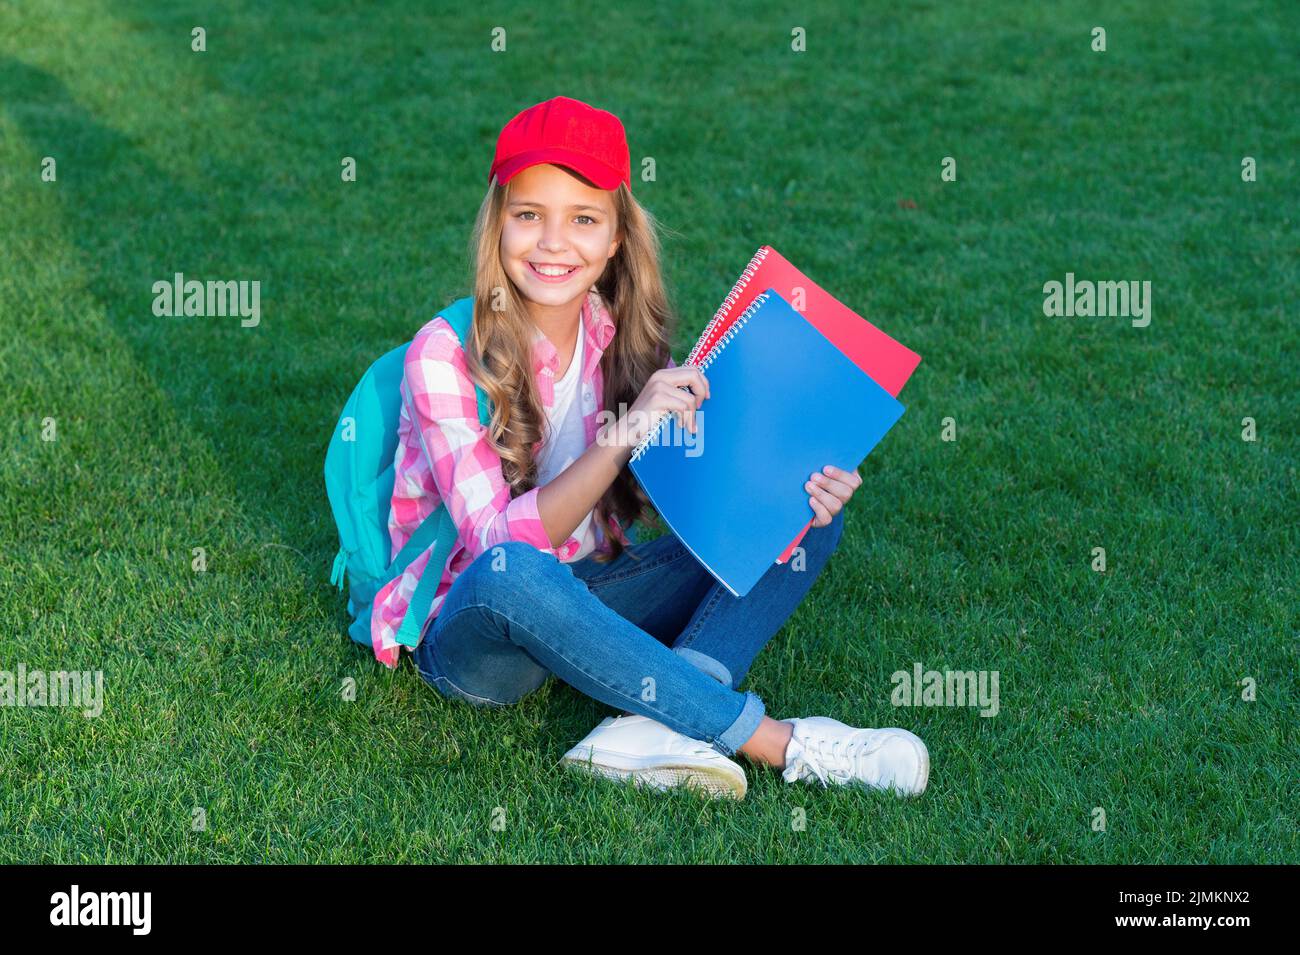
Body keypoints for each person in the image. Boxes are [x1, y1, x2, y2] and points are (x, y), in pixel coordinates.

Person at [370, 95, 929, 799]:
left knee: (804, 517)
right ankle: (777, 741)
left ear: (614, 239)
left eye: (582, 219)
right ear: (496, 224)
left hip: (585, 594)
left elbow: (691, 499)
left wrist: (795, 484)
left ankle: (653, 726)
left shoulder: (616, 334)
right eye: (528, 215)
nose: (552, 242)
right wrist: (623, 435)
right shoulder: (444, 354)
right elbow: (491, 546)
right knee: (516, 569)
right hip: (476, 627)